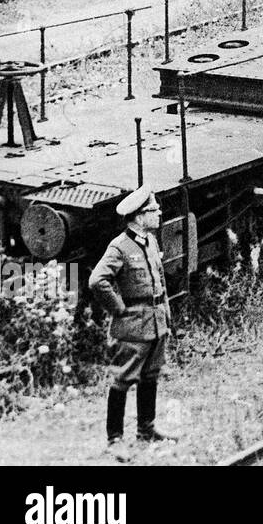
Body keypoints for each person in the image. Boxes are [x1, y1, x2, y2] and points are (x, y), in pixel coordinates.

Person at [88, 185, 173, 446]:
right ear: (139, 216)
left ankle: (146, 430)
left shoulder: (150, 241)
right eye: (154, 210)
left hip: (156, 321)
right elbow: (97, 281)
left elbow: (160, 282)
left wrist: (166, 316)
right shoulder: (120, 247)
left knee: (150, 376)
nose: (159, 213)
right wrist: (119, 309)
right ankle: (115, 439)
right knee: (123, 379)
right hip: (133, 325)